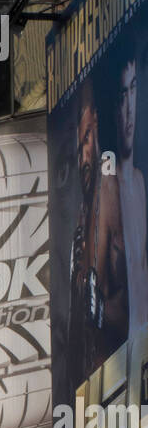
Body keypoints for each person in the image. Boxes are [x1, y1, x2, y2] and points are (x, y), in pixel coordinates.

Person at [67, 79, 128, 393]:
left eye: (89, 136)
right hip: (90, 399)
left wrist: (100, 309)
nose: (85, 155)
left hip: (123, 387)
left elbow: (132, 299)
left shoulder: (111, 186)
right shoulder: (82, 210)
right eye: (80, 146)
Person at [117, 53, 148, 336]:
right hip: (126, 357)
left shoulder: (138, 182)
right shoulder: (108, 189)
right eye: (122, 95)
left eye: (134, 88)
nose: (129, 109)